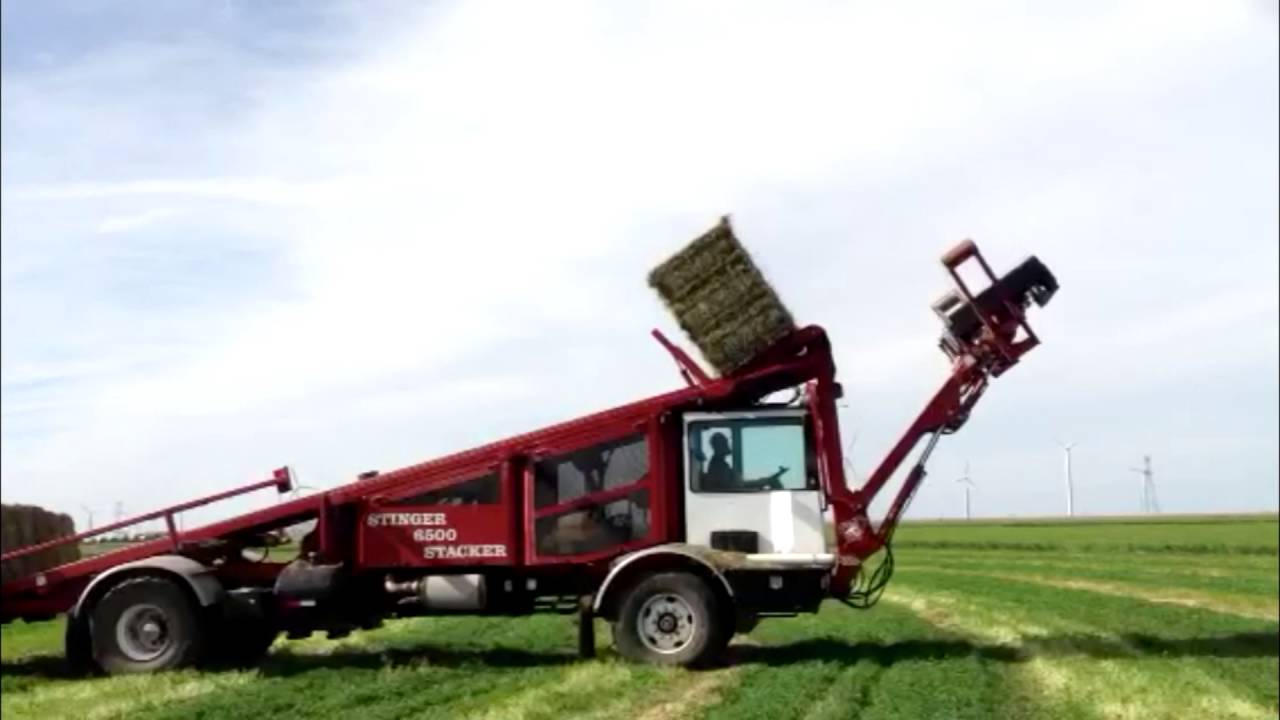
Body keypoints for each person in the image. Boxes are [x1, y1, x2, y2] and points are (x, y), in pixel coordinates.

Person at [701, 431, 788, 492]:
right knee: (770, 481)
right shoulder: (717, 465)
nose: (727, 445)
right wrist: (755, 485)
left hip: (740, 488)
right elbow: (729, 487)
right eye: (724, 443)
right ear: (718, 446)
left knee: (770, 480)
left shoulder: (721, 463)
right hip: (735, 494)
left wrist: (761, 482)